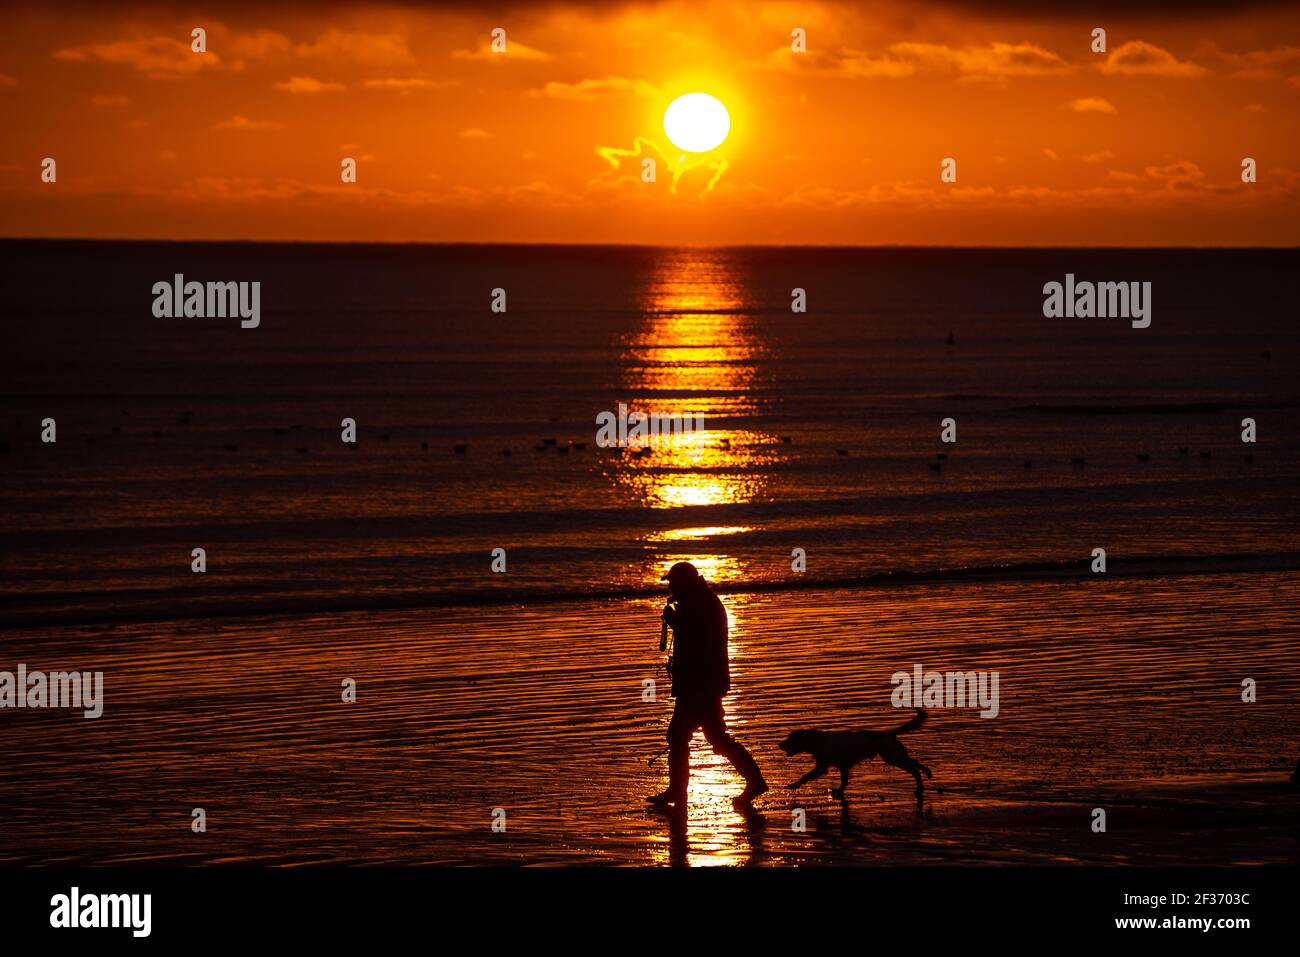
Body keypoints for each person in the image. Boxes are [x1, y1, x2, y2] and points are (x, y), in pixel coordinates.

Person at [648, 561, 767, 810]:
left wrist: (675, 622)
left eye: (673, 582)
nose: (671, 587)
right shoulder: (701, 600)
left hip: (700, 684)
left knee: (680, 736)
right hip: (704, 683)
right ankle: (754, 781)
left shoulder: (700, 603)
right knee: (714, 737)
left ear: (685, 582)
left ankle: (677, 791)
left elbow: (698, 640)